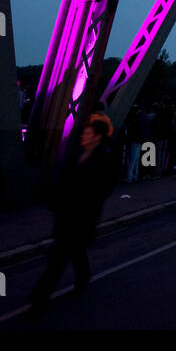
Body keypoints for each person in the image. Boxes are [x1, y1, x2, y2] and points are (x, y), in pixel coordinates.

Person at [30, 113, 117, 315]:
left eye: (88, 133)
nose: (83, 136)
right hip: (67, 212)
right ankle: (83, 276)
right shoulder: (78, 153)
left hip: (82, 215)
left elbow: (104, 186)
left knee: (58, 257)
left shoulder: (103, 156)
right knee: (74, 250)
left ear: (97, 136)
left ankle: (39, 299)